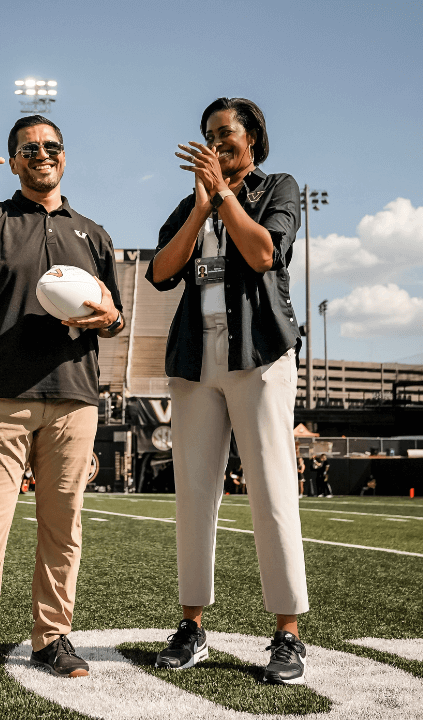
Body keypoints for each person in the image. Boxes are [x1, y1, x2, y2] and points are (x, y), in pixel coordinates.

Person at [0, 111, 124, 682]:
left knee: (64, 525)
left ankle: (52, 637)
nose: (42, 155)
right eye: (29, 149)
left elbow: (113, 317)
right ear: (12, 161)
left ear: (65, 155)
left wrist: (109, 318)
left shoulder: (95, 233)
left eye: (52, 146)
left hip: (74, 398)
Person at [146, 97, 308, 684]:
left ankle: (288, 631)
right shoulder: (194, 201)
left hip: (259, 355)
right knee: (194, 495)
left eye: (226, 134)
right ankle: (192, 625)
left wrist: (227, 198)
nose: (216, 144)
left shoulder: (278, 187)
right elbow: (162, 272)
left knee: (271, 488)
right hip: (196, 359)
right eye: (209, 135)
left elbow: (264, 252)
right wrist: (200, 207)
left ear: (254, 140)